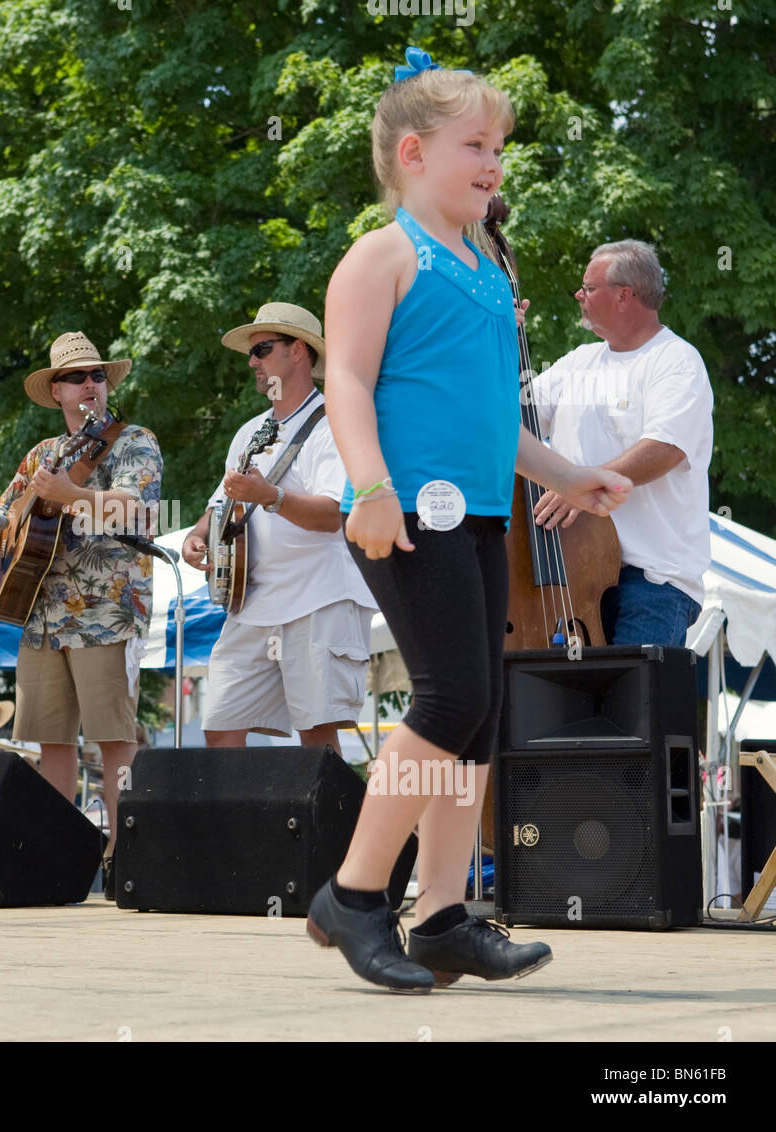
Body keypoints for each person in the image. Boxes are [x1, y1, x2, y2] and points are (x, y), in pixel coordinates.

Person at [309, 48, 632, 993]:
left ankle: (443, 915)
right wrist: (368, 490)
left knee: (480, 717)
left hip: (483, 511)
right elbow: (347, 381)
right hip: (403, 512)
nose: (495, 161)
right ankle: (357, 896)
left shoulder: (487, 265)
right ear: (413, 152)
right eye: (476, 145)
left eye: (500, 145)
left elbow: (492, 416)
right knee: (450, 701)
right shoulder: (383, 254)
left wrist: (568, 471)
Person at [0, 331, 162, 864]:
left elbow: (132, 508)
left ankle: (126, 860)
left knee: (114, 742)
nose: (89, 384)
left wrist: (72, 495)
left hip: (107, 612)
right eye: (76, 377)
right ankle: (60, 859)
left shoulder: (133, 440)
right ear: (55, 390)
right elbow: (3, 511)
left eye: (97, 375)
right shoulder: (42, 454)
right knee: (51, 743)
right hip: (40, 613)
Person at [181, 303, 376, 752]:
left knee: (318, 737)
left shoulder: (338, 421)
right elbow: (220, 505)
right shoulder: (249, 432)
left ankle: (337, 827)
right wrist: (196, 536)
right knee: (220, 729)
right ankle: (239, 826)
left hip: (321, 597)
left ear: (299, 352)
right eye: (252, 353)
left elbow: (335, 515)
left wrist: (270, 495)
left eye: (263, 349)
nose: (252, 361)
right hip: (252, 601)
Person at [530, 240, 713, 647]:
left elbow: (665, 448)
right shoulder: (577, 361)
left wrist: (579, 486)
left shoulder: (676, 360)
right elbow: (507, 420)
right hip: (571, 572)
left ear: (624, 295)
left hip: (650, 580)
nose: (579, 295)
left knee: (636, 709)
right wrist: (500, 341)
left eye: (588, 287)